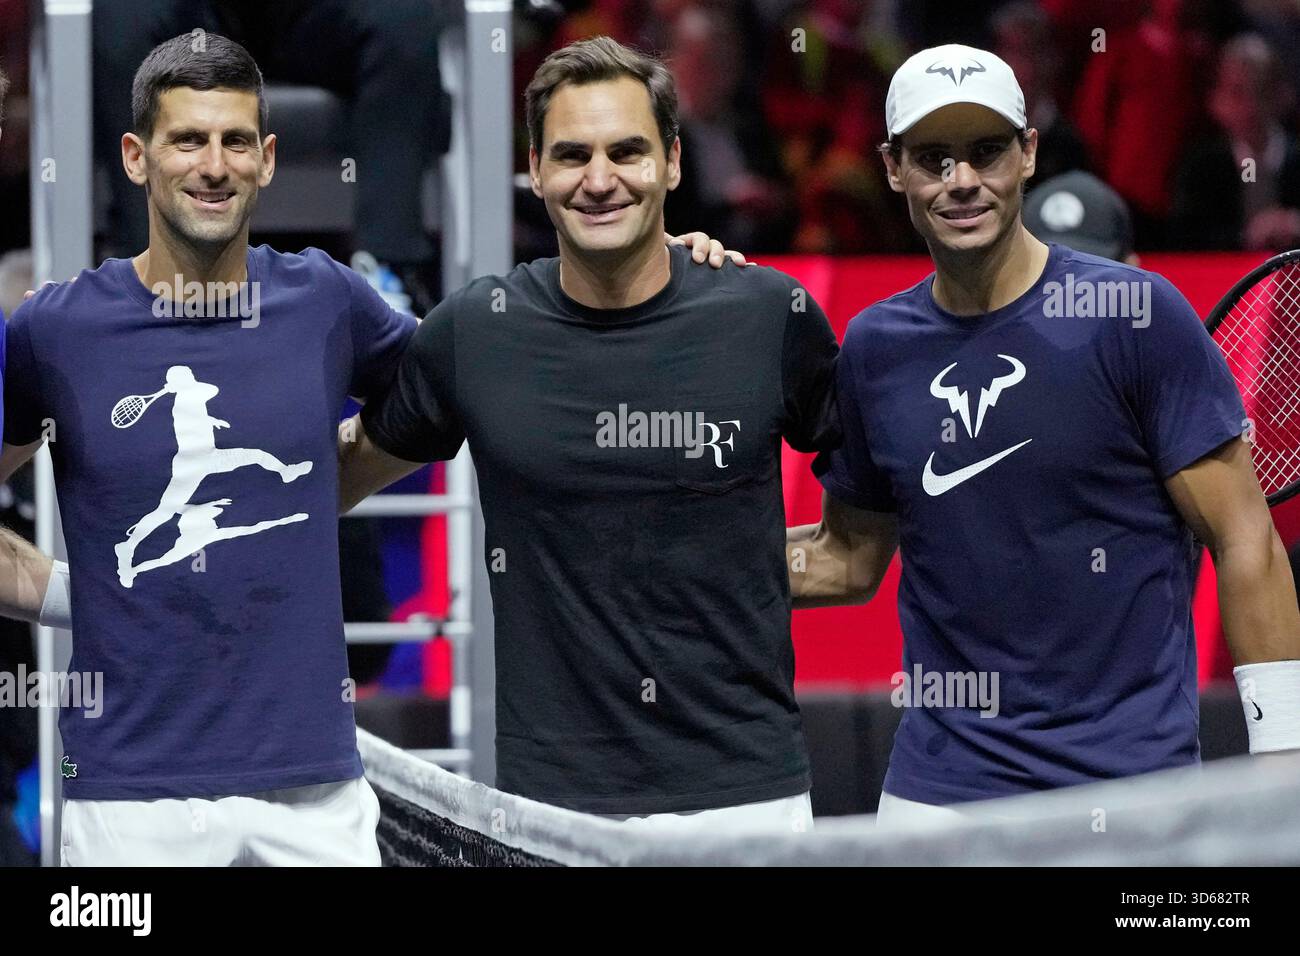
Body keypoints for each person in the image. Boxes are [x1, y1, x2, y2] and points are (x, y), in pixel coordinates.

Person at [2, 33, 732, 865]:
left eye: (236, 141)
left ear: (268, 159)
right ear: (136, 157)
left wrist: (655, 266)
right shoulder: (55, 332)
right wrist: (68, 591)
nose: (214, 165)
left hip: (315, 793)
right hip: (130, 797)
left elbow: (465, 380)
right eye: (187, 141)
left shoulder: (327, 300)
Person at [788, 44, 1300, 828]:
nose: (962, 181)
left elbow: (1245, 540)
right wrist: (672, 558)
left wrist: (1286, 762)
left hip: (1131, 801)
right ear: (894, 169)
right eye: (934, 158)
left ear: (1028, 153)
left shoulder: (1138, 317)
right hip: (937, 801)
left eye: (987, 151)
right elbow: (848, 558)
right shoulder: (873, 348)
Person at [339, 37, 841, 833]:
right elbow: (329, 481)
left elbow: (862, 545)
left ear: (673, 162)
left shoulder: (767, 315)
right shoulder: (475, 331)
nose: (600, 180)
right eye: (572, 155)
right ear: (534, 169)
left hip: (749, 806)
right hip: (554, 813)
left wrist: (728, 571)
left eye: (628, 152)